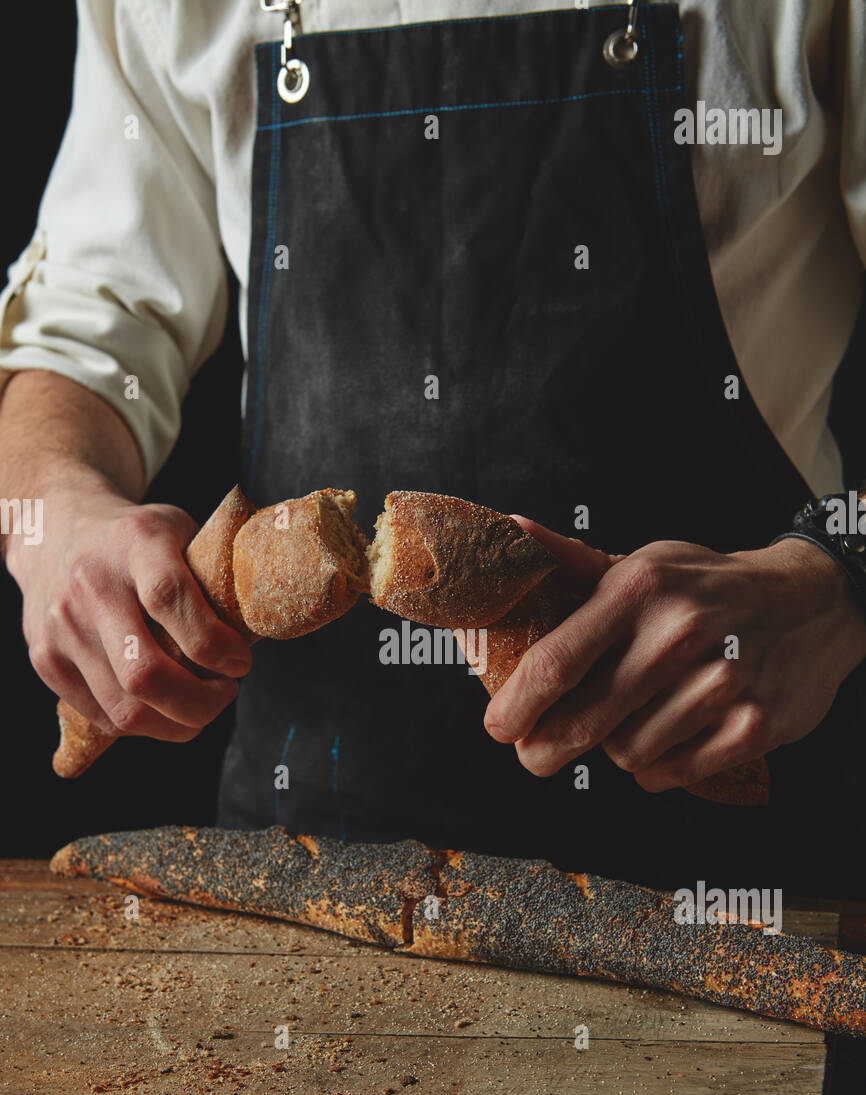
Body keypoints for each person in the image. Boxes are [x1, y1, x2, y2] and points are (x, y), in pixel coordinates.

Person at [1, 0, 865, 895]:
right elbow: (86, 322)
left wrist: (837, 576)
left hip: (739, 880)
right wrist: (55, 510)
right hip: (312, 879)